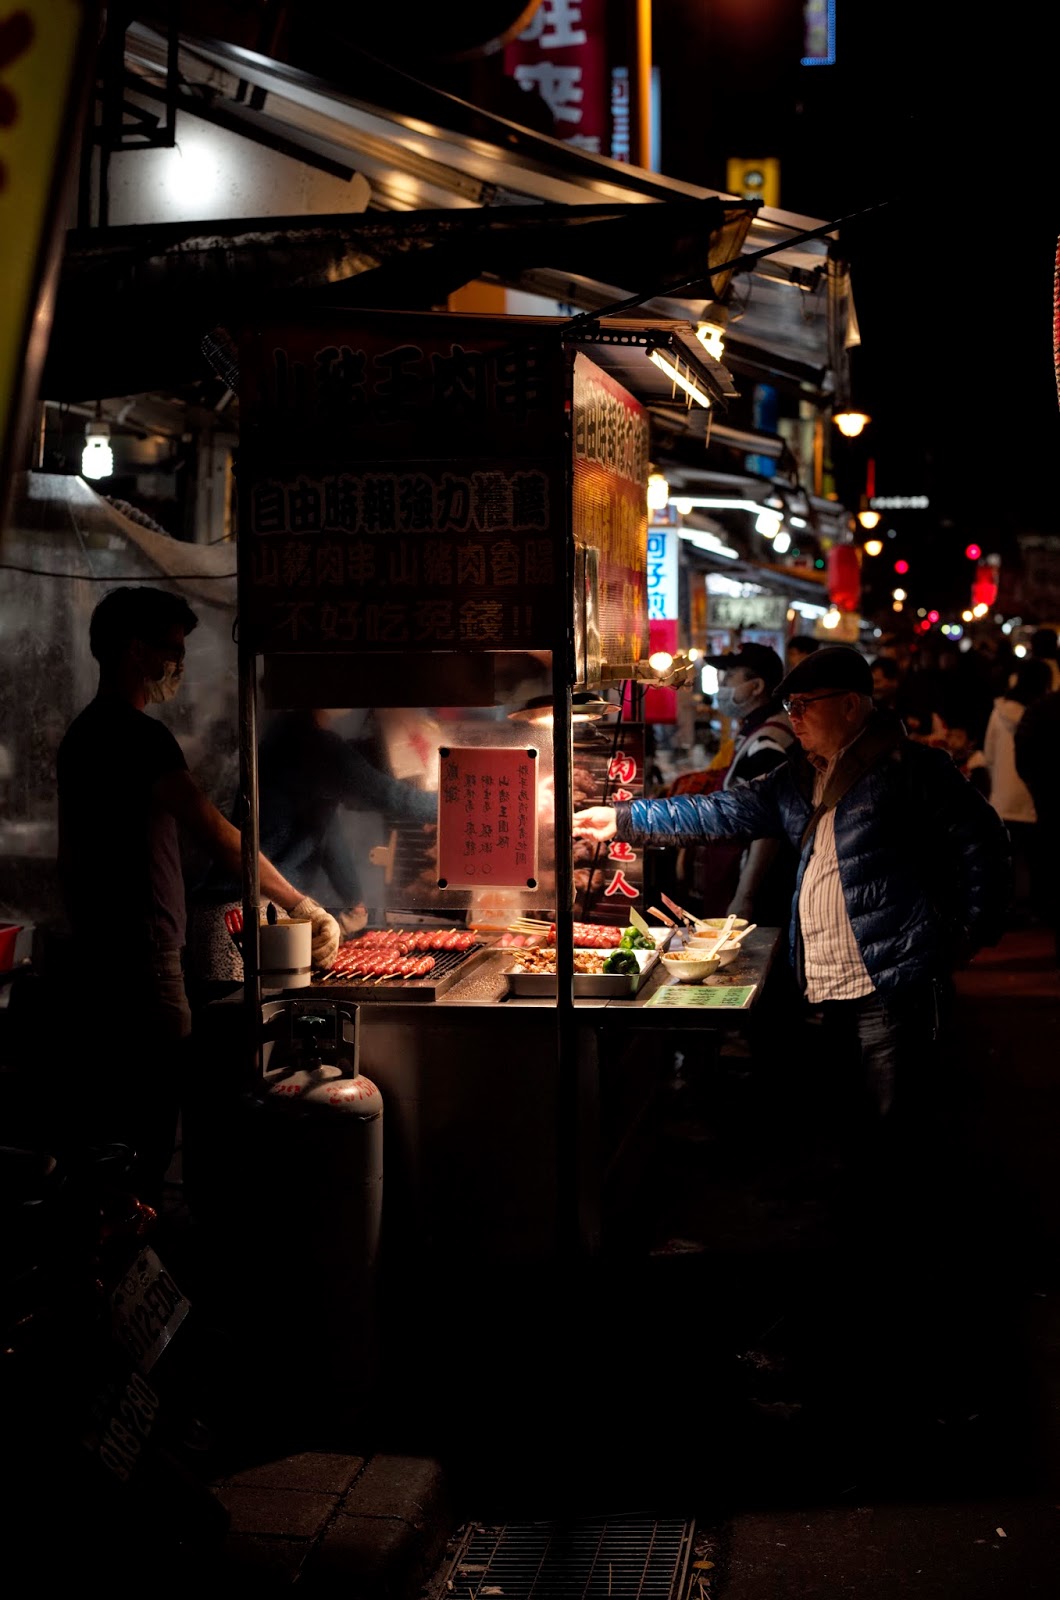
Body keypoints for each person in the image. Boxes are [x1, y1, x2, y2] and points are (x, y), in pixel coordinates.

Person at [54, 586, 342, 1209]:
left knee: (112, 1129)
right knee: (150, 1130)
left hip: (95, 956)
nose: (178, 667)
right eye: (173, 651)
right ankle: (143, 1264)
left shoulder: (82, 735)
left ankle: (115, 1252)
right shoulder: (139, 738)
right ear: (136, 651)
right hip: (145, 962)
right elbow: (215, 833)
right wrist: (300, 902)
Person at [188, 707, 437, 992]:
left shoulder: (286, 736)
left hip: (249, 909)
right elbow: (394, 797)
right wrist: (462, 808)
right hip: (241, 912)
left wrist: (353, 895)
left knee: (261, 1019)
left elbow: (324, 830)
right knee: (240, 1021)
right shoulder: (316, 745)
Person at [703, 642, 797, 924]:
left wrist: (745, 894)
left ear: (756, 687)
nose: (723, 685)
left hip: (763, 880)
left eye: (730, 677)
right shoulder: (758, 729)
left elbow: (768, 826)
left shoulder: (768, 741)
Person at [981, 657, 1051, 926]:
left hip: (1003, 797)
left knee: (1005, 861)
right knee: (1037, 861)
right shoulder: (1044, 715)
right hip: (1036, 797)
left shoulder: (998, 712)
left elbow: (988, 754)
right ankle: (1036, 909)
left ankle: (1006, 910)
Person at [1014, 684, 1060, 965]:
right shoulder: (1042, 709)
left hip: (1051, 802)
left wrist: (1038, 788)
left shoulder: (1041, 708)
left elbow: (1023, 756)